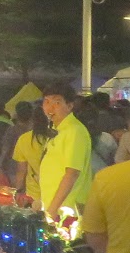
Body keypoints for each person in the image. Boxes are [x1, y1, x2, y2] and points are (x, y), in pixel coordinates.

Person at [39, 82, 93, 222]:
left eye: (57, 102)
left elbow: (72, 174)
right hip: (55, 207)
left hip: (66, 211)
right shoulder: (58, 131)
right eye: (46, 101)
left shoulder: (74, 131)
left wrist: (52, 211)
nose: (50, 107)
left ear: (70, 106)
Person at [10, 104, 51, 206]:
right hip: (54, 192)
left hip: (32, 195)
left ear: (32, 120)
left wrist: (18, 191)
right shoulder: (56, 138)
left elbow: (21, 170)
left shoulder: (24, 139)